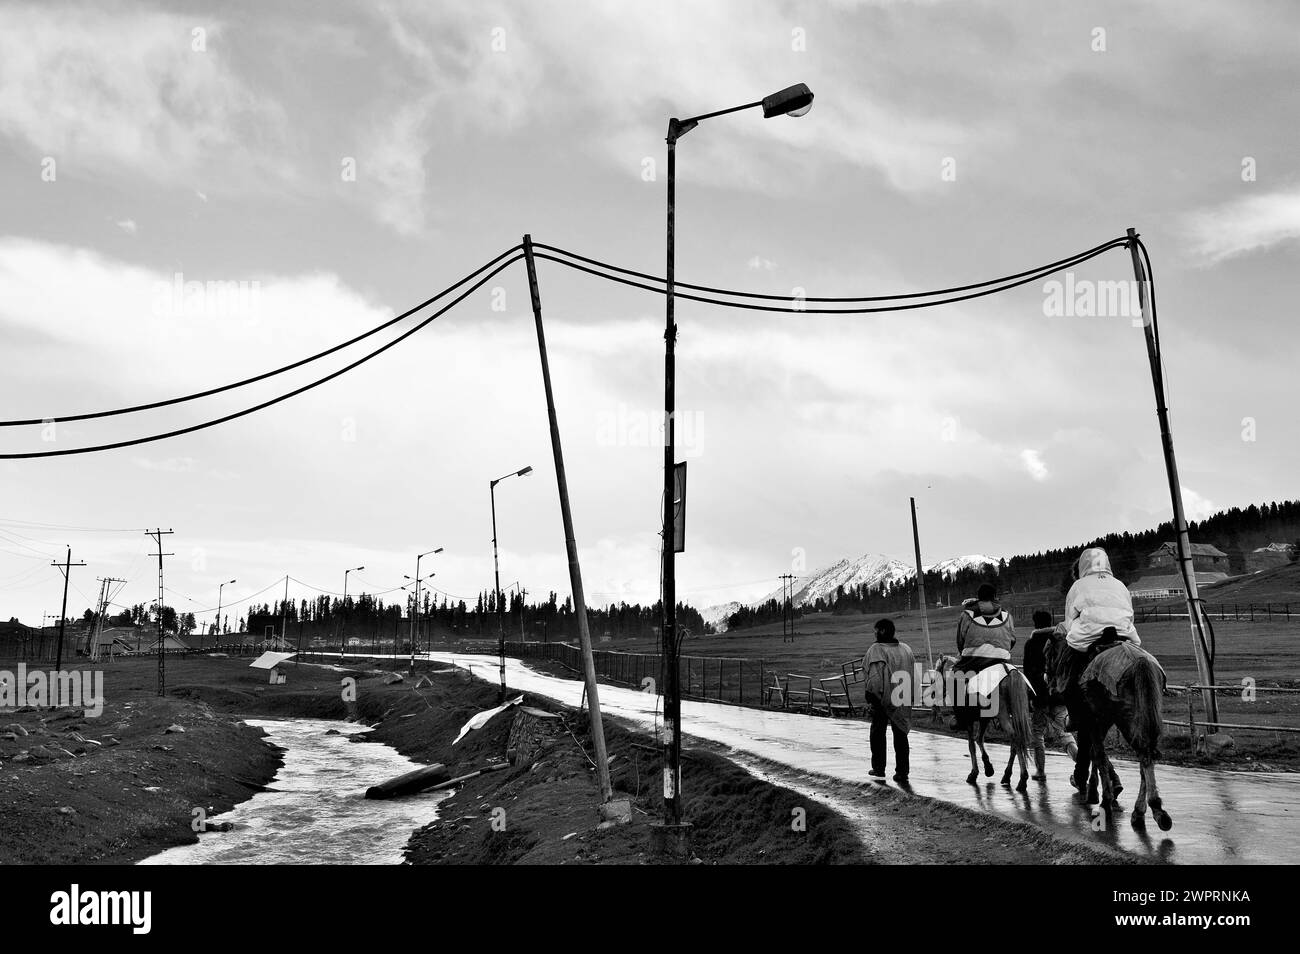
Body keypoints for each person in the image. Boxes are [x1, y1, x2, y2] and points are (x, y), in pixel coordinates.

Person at [1054, 546, 1138, 793]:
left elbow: (1070, 620)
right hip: (1124, 635)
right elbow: (1130, 614)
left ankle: (1074, 715)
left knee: (1066, 669)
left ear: (1082, 567)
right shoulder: (1120, 585)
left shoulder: (1078, 586)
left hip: (1090, 637)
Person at [1023, 609, 1078, 781]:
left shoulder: (1031, 643)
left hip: (1039, 695)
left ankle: (1040, 771)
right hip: (1058, 693)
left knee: (1038, 733)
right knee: (1064, 730)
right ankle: (1080, 761)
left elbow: (1028, 673)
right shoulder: (1061, 640)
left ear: (1035, 623)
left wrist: (1030, 696)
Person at [863, 618, 915, 784]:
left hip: (884, 698)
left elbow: (874, 678)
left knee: (878, 733)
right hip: (903, 696)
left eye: (876, 630)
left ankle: (879, 768)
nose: (874, 634)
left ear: (882, 631)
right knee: (901, 734)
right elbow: (914, 672)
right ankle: (902, 771)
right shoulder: (906, 649)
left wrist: (871, 695)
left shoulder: (876, 650)